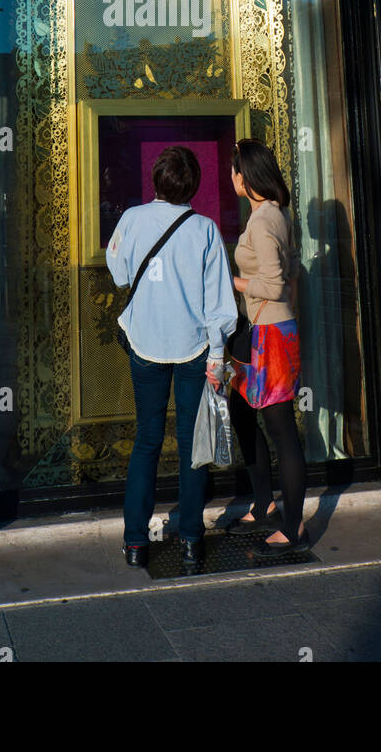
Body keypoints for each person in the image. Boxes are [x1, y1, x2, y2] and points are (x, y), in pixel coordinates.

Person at [107, 145, 237, 574]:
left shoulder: (131, 219)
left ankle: (135, 543)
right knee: (191, 448)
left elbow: (120, 271)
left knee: (146, 442)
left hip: (145, 345)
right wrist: (218, 358)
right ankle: (191, 542)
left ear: (155, 180)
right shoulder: (205, 230)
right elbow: (220, 303)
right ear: (193, 185)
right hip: (195, 350)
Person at [207, 137, 311, 557]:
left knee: (282, 429)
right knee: (241, 412)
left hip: (271, 334)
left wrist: (226, 282)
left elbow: (273, 283)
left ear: (245, 177)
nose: (230, 176)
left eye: (234, 170)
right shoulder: (267, 215)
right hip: (261, 331)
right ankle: (264, 502)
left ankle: (292, 527)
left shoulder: (266, 220)